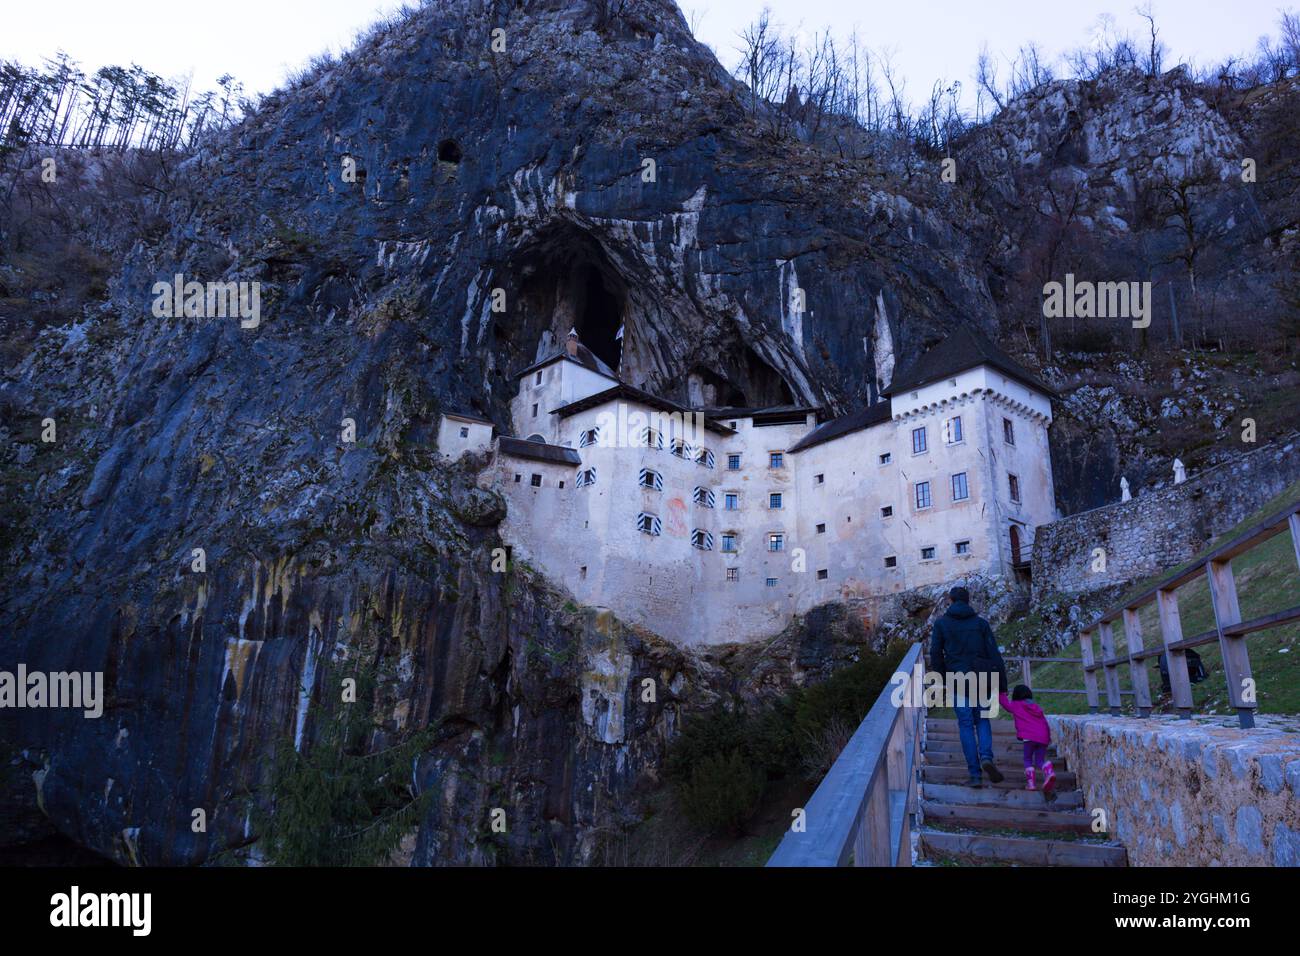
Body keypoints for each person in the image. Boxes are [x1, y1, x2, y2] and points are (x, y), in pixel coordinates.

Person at [929, 586, 1008, 788]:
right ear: (968, 601)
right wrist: (1002, 685)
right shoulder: (980, 623)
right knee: (982, 720)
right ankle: (986, 757)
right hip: (982, 677)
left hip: (957, 679)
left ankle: (974, 774)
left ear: (951, 601)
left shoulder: (941, 624)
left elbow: (936, 654)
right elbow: (994, 654)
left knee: (965, 724)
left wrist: (941, 679)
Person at [999, 684, 1056, 798]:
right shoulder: (1036, 707)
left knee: (1028, 759)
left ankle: (1031, 784)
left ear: (1016, 695)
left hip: (1029, 737)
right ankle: (1049, 771)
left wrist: (1001, 694)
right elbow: (1045, 722)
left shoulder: (1016, 705)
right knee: (1039, 760)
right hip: (1042, 737)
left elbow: (1006, 705)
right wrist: (1048, 738)